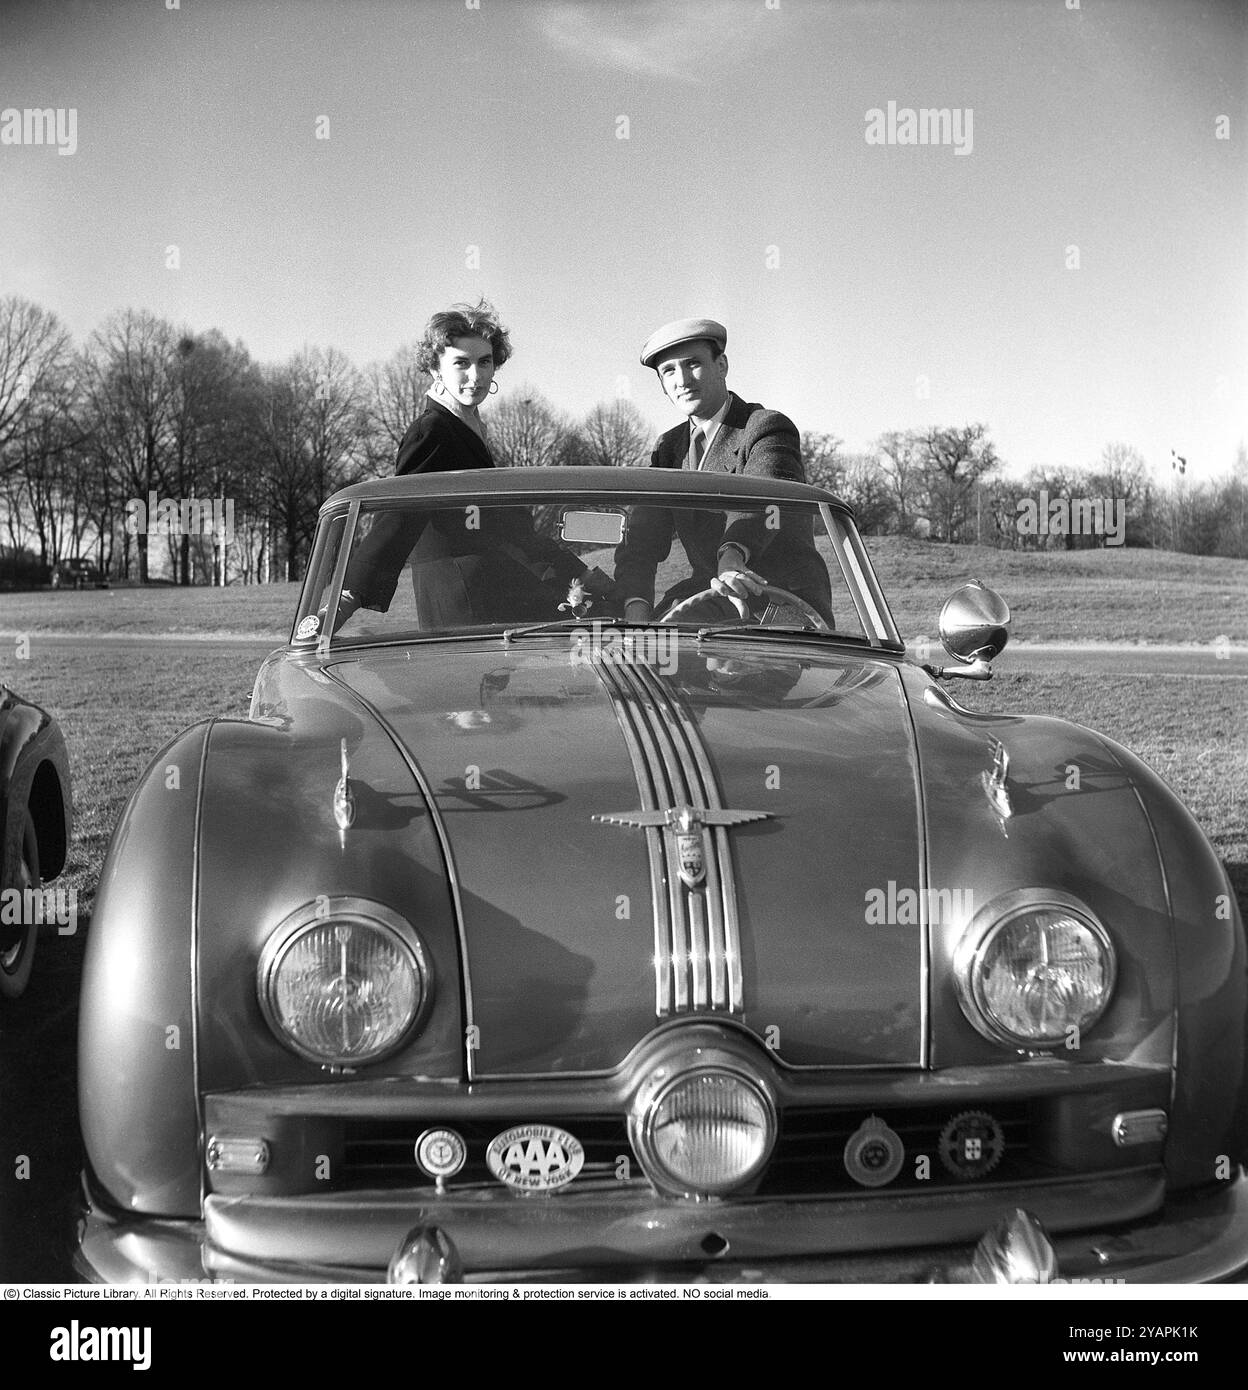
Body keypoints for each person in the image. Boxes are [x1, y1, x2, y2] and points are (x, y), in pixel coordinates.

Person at [337, 300, 606, 629]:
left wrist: (581, 575)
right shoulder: (432, 429)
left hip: (493, 589)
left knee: (595, 623)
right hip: (460, 596)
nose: (475, 375)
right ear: (436, 368)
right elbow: (401, 512)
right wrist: (350, 595)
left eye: (484, 362)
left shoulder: (469, 427)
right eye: (461, 363)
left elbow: (513, 529)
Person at [614, 317, 833, 625]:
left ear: (722, 365)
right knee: (634, 657)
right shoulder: (668, 449)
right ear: (662, 386)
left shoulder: (765, 428)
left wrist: (732, 553)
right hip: (708, 600)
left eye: (693, 363)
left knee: (734, 665)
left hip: (780, 604)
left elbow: (766, 499)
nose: (682, 380)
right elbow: (641, 543)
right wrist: (635, 609)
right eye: (669, 371)